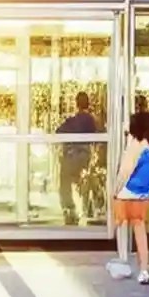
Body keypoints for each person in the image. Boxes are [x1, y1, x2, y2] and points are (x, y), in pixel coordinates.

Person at [114, 111, 149, 285]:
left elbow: (125, 172)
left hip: (127, 193)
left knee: (121, 226)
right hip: (143, 195)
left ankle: (123, 261)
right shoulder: (148, 148)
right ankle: (144, 270)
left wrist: (115, 190)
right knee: (140, 229)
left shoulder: (134, 146)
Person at [56, 92, 98, 225]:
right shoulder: (93, 121)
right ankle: (90, 203)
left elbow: (58, 132)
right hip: (86, 157)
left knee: (64, 178)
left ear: (76, 103)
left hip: (73, 156)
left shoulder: (73, 121)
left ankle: (69, 208)